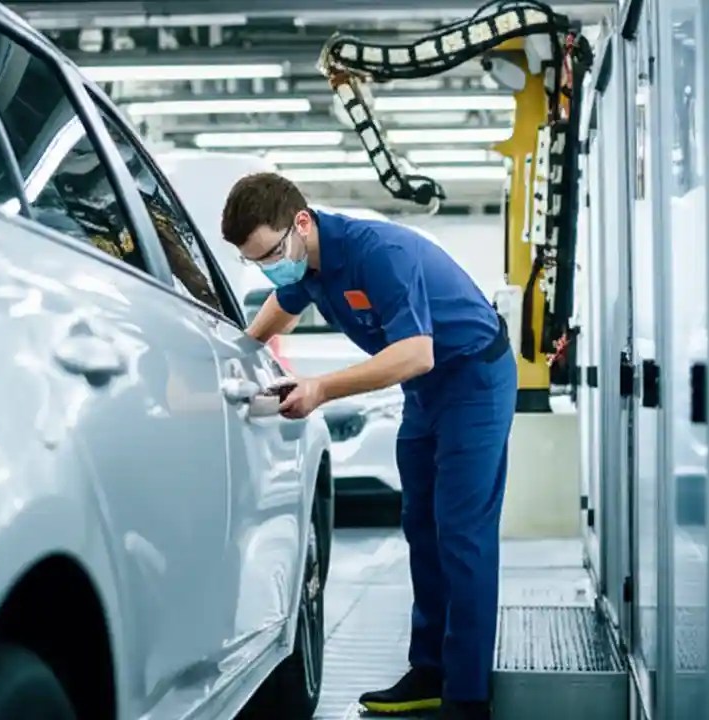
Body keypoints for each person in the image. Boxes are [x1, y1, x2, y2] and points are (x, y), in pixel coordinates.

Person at [221, 173, 517, 720]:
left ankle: (468, 696)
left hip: (473, 379)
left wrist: (320, 388)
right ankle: (430, 670)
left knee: (462, 532)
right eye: (254, 261)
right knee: (422, 527)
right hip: (427, 393)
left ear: (301, 223)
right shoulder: (307, 263)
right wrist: (230, 354)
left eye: (269, 253)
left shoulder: (378, 253)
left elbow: (416, 353)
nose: (268, 267)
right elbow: (280, 309)